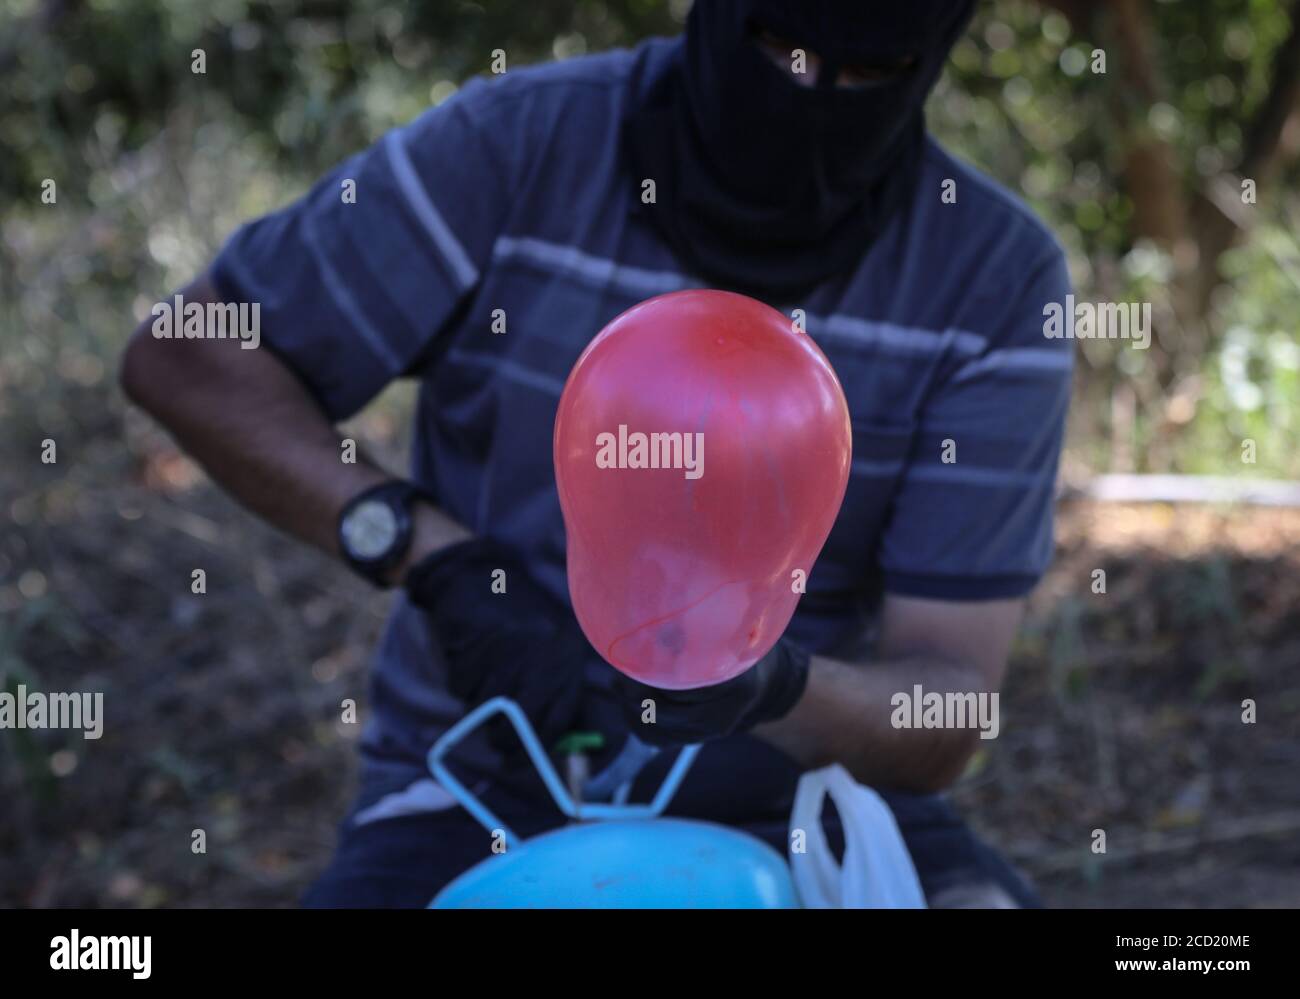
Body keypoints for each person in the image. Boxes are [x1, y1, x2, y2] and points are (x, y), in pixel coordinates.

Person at [120, 0, 1073, 908]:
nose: (808, 96)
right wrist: (433, 557)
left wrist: (775, 686)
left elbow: (944, 707)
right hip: (477, 780)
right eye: (780, 50)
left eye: (871, 71)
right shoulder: (518, 145)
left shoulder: (994, 279)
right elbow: (188, 355)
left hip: (799, 788)